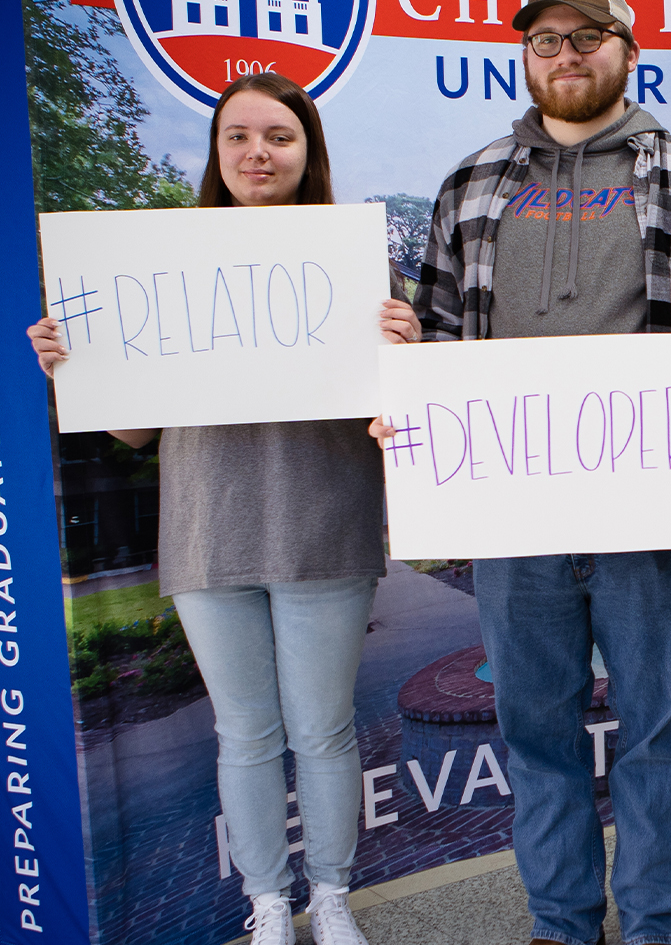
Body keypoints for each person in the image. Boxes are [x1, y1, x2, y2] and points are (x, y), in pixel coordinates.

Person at [374, 0, 671, 945]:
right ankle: (561, 925)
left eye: (585, 37)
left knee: (658, 735)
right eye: (544, 40)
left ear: (628, 51)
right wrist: (401, 391)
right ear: (525, 56)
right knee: (539, 738)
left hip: (653, 510)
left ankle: (649, 926)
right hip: (514, 520)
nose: (564, 55)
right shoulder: (471, 185)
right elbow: (430, 331)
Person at [27, 72, 417, 945]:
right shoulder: (159, 265)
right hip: (208, 527)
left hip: (325, 523)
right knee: (244, 734)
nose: (257, 152)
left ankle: (331, 896)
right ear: (216, 154)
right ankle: (269, 903)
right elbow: (131, 433)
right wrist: (73, 368)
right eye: (237, 136)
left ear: (308, 149)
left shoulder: (360, 263)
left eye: (278, 135)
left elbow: (393, 414)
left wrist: (408, 357)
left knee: (321, 730)